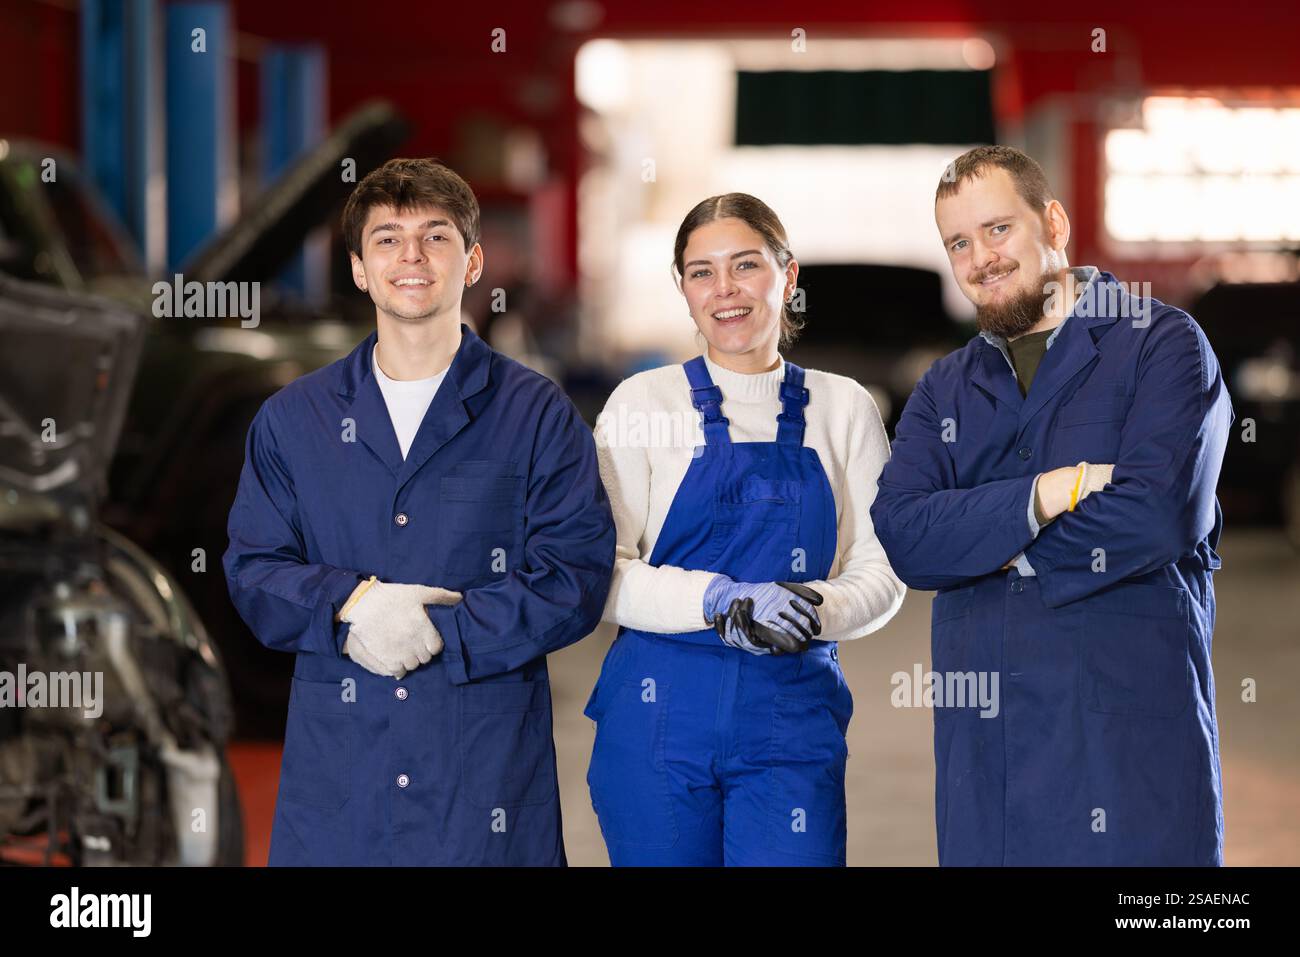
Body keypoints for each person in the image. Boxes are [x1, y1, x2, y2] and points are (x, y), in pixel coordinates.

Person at [222, 158, 615, 865]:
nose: (411, 256)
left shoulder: (537, 415)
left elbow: (574, 578)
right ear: (357, 268)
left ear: (472, 263)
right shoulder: (293, 419)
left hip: (482, 774)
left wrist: (441, 629)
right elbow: (253, 570)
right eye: (387, 239)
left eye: (436, 237)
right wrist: (353, 605)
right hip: (340, 775)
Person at [871, 145, 1232, 865]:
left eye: (998, 228)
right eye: (959, 243)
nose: (981, 258)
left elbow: (1157, 516)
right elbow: (907, 538)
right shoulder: (945, 388)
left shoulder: (1160, 345)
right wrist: (1045, 495)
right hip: (989, 763)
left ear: (1055, 221)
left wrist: (981, 539)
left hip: (1128, 750)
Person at [585, 192, 905, 866]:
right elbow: (601, 574)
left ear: (788, 276)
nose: (724, 290)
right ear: (683, 288)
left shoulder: (845, 408)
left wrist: (816, 608)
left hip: (790, 721)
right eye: (701, 272)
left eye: (746, 265)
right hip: (657, 721)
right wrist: (715, 600)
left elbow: (883, 568)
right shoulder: (642, 405)